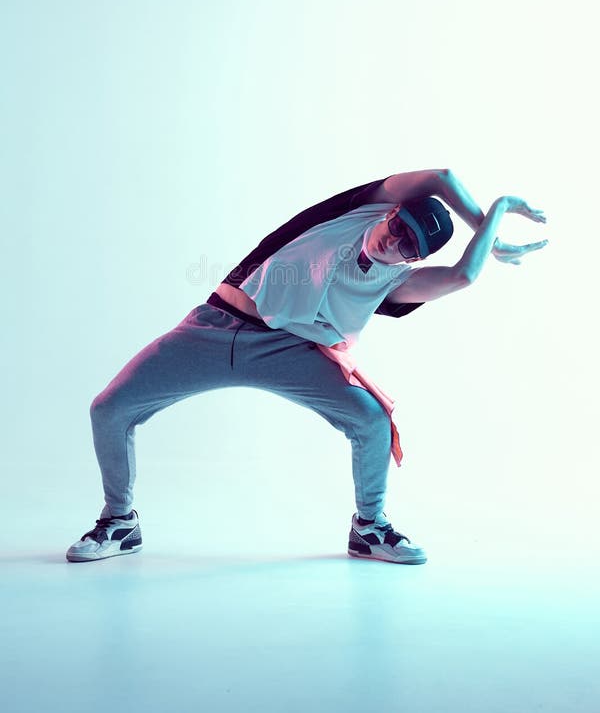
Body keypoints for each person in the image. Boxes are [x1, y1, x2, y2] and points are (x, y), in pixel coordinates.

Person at [66, 169, 547, 565]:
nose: (393, 242)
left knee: (372, 420)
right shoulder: (353, 211)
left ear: (415, 259)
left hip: (286, 351)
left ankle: (370, 528)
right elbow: (442, 177)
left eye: (409, 247)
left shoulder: (391, 284)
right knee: (109, 408)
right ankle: (119, 522)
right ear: (392, 211)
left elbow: (463, 274)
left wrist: (493, 227)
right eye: (398, 226)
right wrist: (492, 215)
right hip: (212, 329)